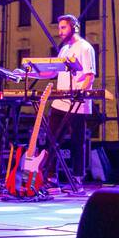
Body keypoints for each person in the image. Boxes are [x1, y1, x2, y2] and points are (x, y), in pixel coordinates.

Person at [46, 13, 97, 181]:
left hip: (77, 102)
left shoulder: (85, 47)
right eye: (59, 28)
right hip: (60, 102)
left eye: (63, 27)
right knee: (52, 138)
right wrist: (31, 72)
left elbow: (90, 76)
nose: (60, 32)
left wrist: (80, 93)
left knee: (77, 141)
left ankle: (77, 177)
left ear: (73, 28)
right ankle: (51, 176)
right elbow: (54, 71)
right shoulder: (64, 49)